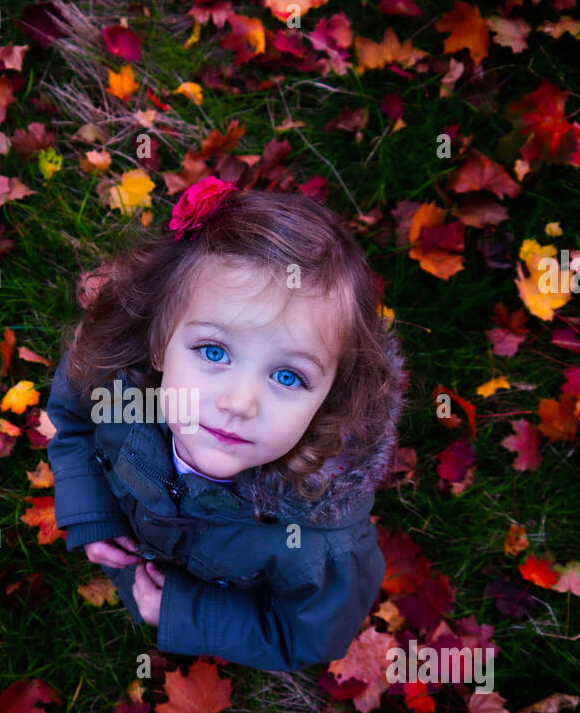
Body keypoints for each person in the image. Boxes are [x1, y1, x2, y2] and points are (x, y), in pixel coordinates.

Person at [46, 178, 407, 672]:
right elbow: (73, 422)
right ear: (160, 343)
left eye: (287, 376)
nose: (239, 403)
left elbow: (310, 636)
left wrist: (185, 613)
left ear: (329, 399)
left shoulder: (319, 540)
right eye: (214, 352)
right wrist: (90, 511)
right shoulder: (116, 387)